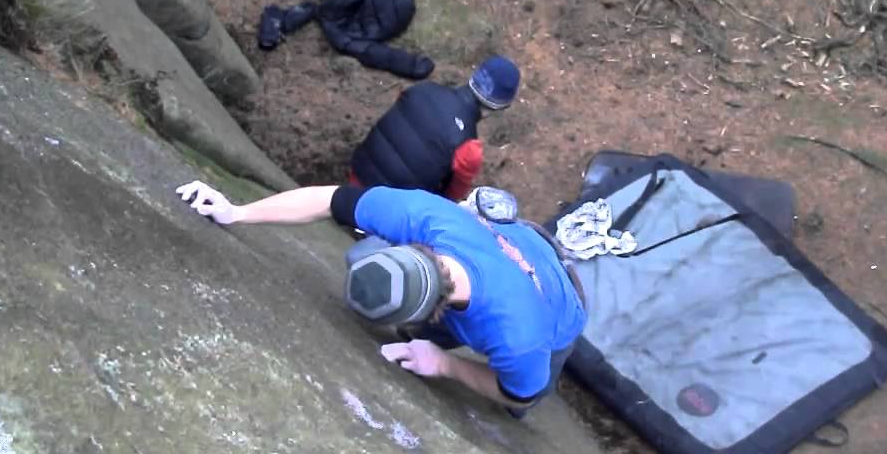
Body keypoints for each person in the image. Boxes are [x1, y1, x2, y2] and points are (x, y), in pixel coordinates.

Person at [174, 178, 585, 417]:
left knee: (524, 397)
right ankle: (419, 334)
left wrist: (444, 364)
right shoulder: (425, 216)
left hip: (563, 294)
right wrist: (237, 212)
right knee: (373, 277)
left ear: (436, 310)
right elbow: (328, 199)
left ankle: (433, 343)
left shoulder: (521, 337)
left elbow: (519, 391)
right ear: (411, 246)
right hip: (513, 240)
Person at [348, 54, 520, 202]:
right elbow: (448, 200)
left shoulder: (422, 89)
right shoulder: (469, 147)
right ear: (499, 107)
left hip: (357, 174)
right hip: (388, 210)